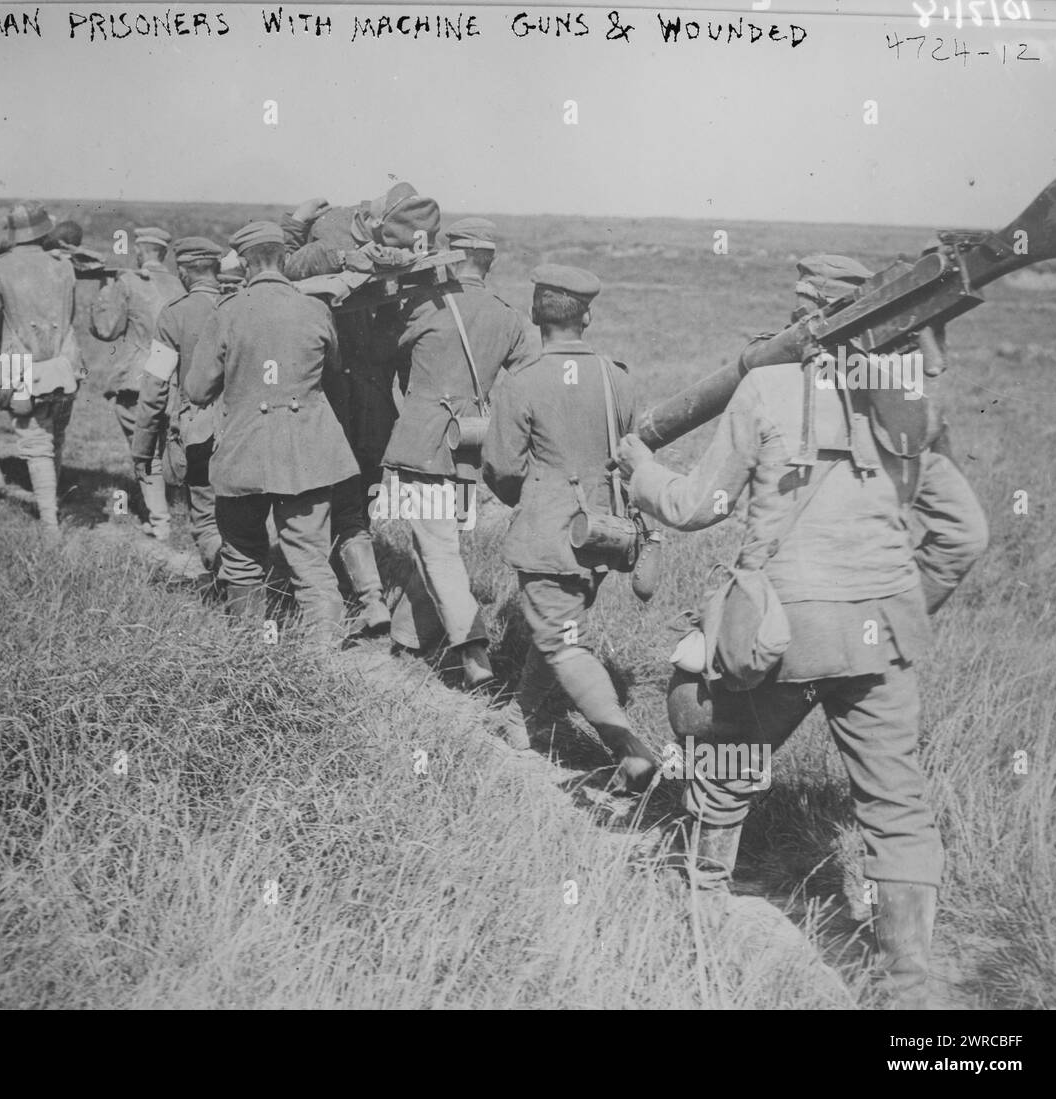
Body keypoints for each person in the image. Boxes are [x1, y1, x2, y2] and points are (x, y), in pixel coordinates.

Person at [615, 254, 989, 1008]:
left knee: (712, 731)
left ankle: (705, 904)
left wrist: (637, 468)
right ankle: (908, 987)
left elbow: (695, 506)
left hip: (779, 631)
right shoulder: (910, 403)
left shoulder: (767, 387)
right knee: (896, 805)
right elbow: (965, 535)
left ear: (810, 312)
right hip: (882, 632)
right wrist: (895, 608)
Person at [482, 265, 659, 785]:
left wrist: (536, 504)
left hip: (550, 537)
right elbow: (629, 455)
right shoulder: (618, 378)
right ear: (588, 315)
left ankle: (630, 748)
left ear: (535, 313)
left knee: (561, 642)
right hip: (603, 536)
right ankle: (521, 717)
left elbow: (502, 468)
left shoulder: (521, 382)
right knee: (560, 624)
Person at [183, 222, 358, 642]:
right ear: (284, 260)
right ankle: (323, 664)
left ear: (243, 264)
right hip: (308, 456)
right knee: (312, 562)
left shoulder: (227, 312)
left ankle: (255, 649)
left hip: (243, 455)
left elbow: (196, 389)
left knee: (243, 558)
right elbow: (332, 369)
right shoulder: (316, 309)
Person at [385, 217, 536, 688]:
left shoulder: (424, 306)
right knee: (433, 542)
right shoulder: (507, 316)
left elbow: (387, 358)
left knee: (438, 551)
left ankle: (474, 656)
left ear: (449, 255)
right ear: (489, 261)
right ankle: (406, 639)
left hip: (424, 446)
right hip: (469, 448)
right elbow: (531, 378)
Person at [283, 182, 441, 632]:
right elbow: (286, 270)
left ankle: (353, 600)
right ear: (374, 224)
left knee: (338, 503)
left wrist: (293, 224)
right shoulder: (330, 242)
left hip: (353, 404)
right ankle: (364, 595)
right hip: (348, 397)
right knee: (344, 504)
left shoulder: (406, 254)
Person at [0, 202, 81, 534]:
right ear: (43, 232)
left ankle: (50, 525)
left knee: (35, 441)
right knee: (55, 434)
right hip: (64, 365)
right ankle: (54, 504)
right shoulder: (64, 267)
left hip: (21, 368)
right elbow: (72, 315)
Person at [130, 236, 227, 576]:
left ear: (184, 272)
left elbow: (155, 386)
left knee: (205, 518)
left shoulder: (175, 315)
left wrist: (143, 449)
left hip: (201, 432)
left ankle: (230, 582)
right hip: (249, 428)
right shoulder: (240, 303)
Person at [91, 226, 182, 540]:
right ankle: (171, 512)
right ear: (164, 253)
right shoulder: (181, 284)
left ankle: (160, 521)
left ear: (141, 252)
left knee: (145, 452)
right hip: (176, 380)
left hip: (137, 380)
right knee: (170, 447)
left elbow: (106, 329)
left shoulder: (127, 282)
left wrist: (105, 290)